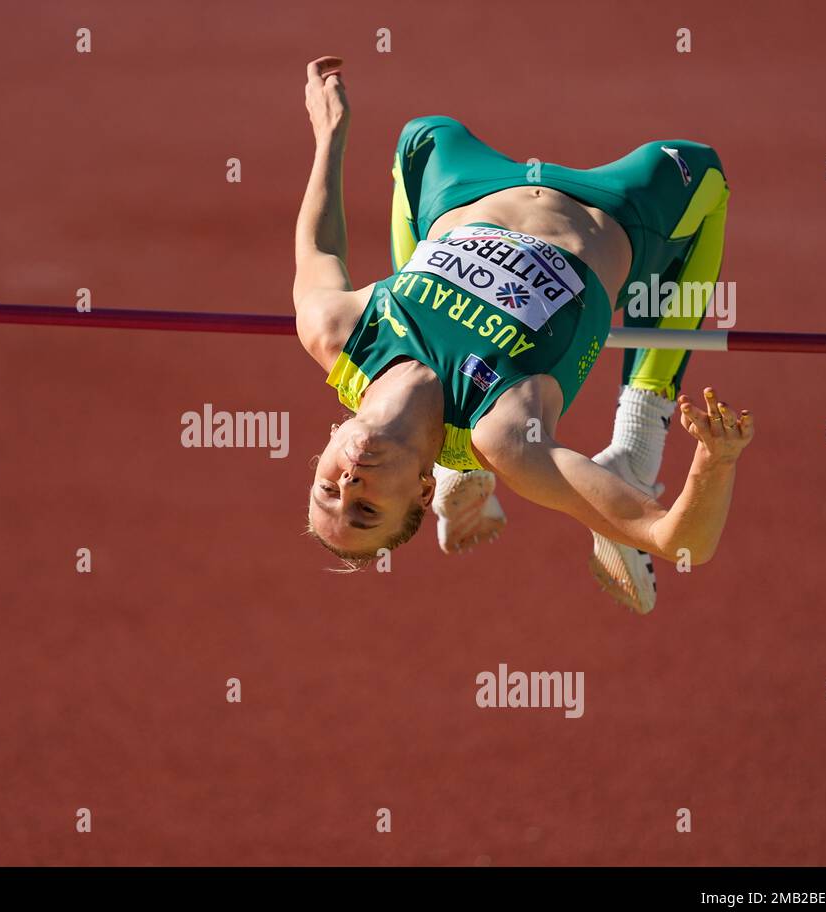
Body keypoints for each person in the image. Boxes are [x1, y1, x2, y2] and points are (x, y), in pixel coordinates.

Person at [294, 57, 753, 612]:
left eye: (328, 488)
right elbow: (680, 543)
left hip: (465, 193)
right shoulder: (505, 433)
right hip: (615, 211)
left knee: (421, 137)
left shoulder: (337, 333)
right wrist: (716, 461)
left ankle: (454, 467)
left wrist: (328, 137)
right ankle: (637, 446)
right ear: (418, 493)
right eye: (365, 509)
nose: (349, 485)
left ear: (322, 452)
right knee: (703, 169)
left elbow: (319, 251)